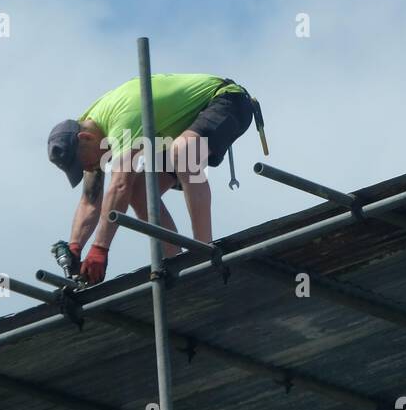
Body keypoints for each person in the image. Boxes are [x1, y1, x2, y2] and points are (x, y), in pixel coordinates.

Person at [47, 73, 258, 285]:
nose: (88, 168)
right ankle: (175, 260)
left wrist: (100, 248)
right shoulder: (90, 128)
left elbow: (120, 185)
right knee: (140, 192)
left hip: (228, 101)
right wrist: (75, 248)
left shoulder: (122, 121)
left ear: (85, 138)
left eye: (84, 163)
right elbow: (90, 199)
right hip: (181, 128)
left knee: (183, 152)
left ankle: (203, 251)